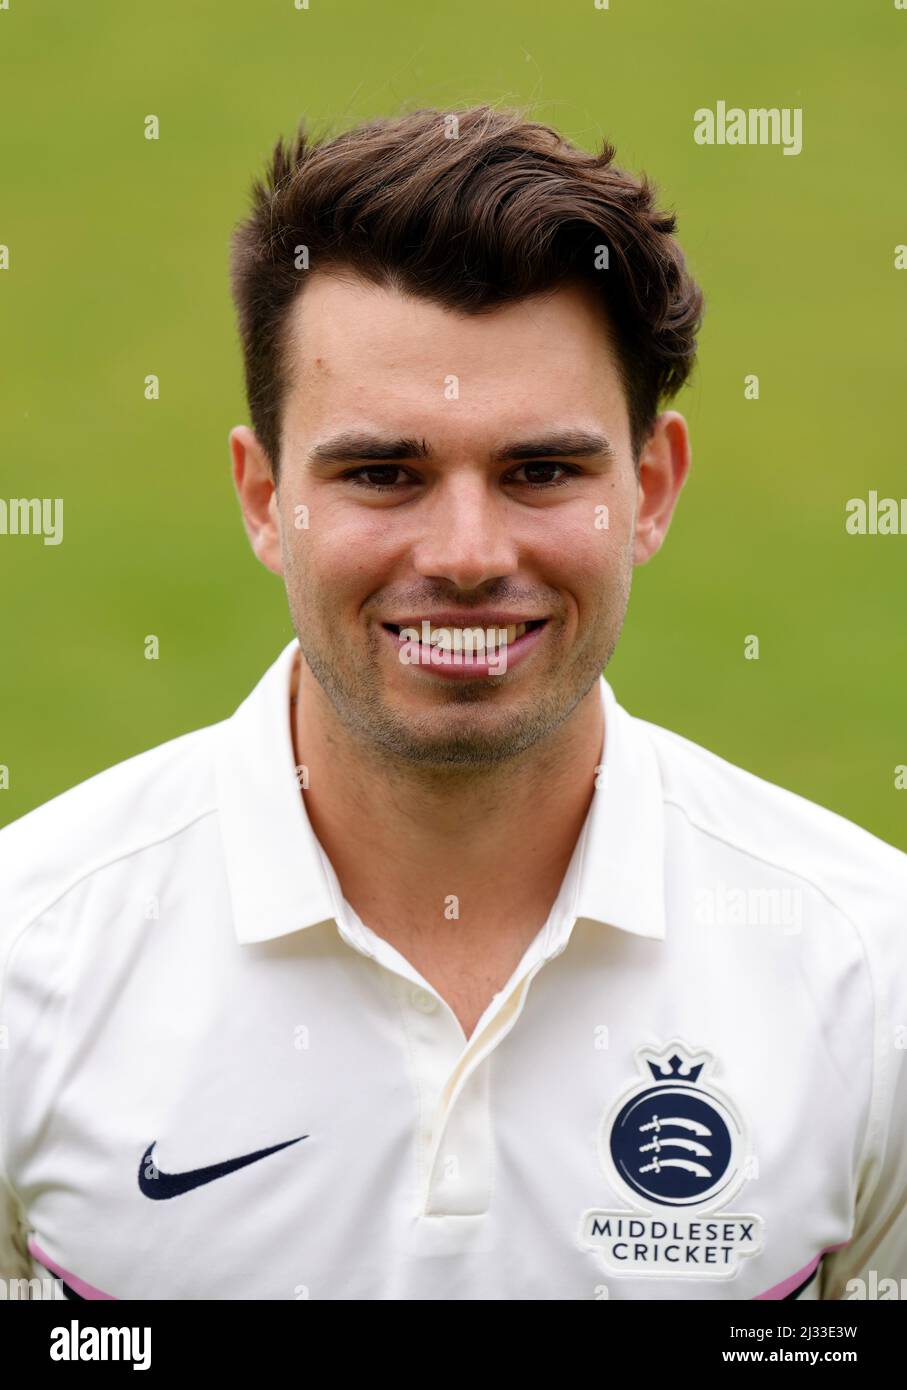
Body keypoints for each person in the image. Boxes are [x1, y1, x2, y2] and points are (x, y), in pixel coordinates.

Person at [1, 105, 904, 1302]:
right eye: (384, 473)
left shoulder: (869, 974)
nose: (469, 552)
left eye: (540, 471)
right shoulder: (30, 961)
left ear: (651, 487)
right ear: (266, 499)